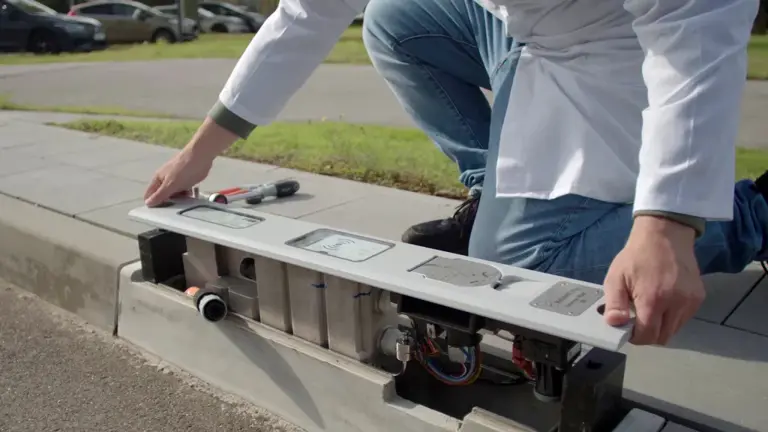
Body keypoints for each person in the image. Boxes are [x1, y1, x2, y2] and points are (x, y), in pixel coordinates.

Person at [143, 0, 765, 347]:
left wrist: (668, 224)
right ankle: (491, 187)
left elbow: (695, 26)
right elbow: (307, 14)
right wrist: (200, 152)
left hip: (614, 37)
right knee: (393, 21)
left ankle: (756, 213)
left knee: (526, 275)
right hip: (514, 20)